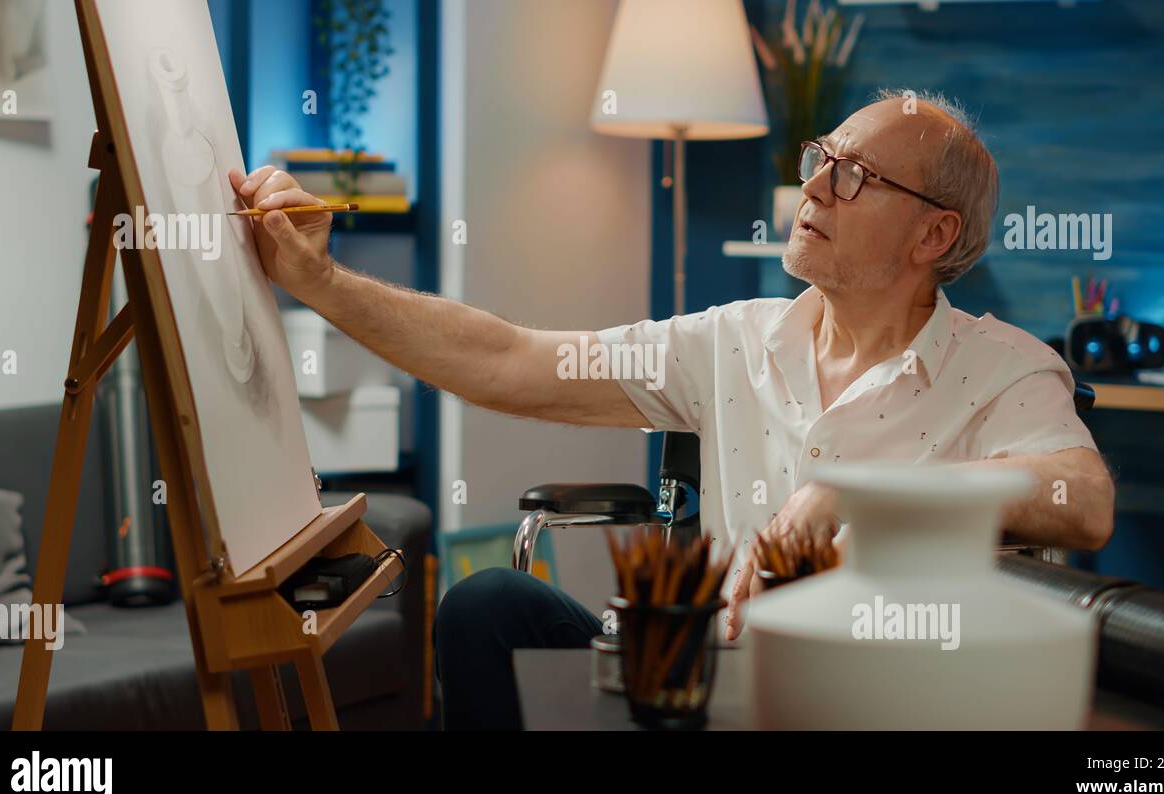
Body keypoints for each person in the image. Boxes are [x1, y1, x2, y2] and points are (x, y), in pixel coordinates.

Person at [228, 90, 1115, 730]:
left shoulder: (1004, 367)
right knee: (489, 604)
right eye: (821, 161)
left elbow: (1084, 496)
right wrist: (321, 282)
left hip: (876, 699)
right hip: (709, 687)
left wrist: (855, 493)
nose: (813, 189)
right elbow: (507, 360)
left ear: (934, 236)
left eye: (855, 176)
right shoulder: (731, 341)